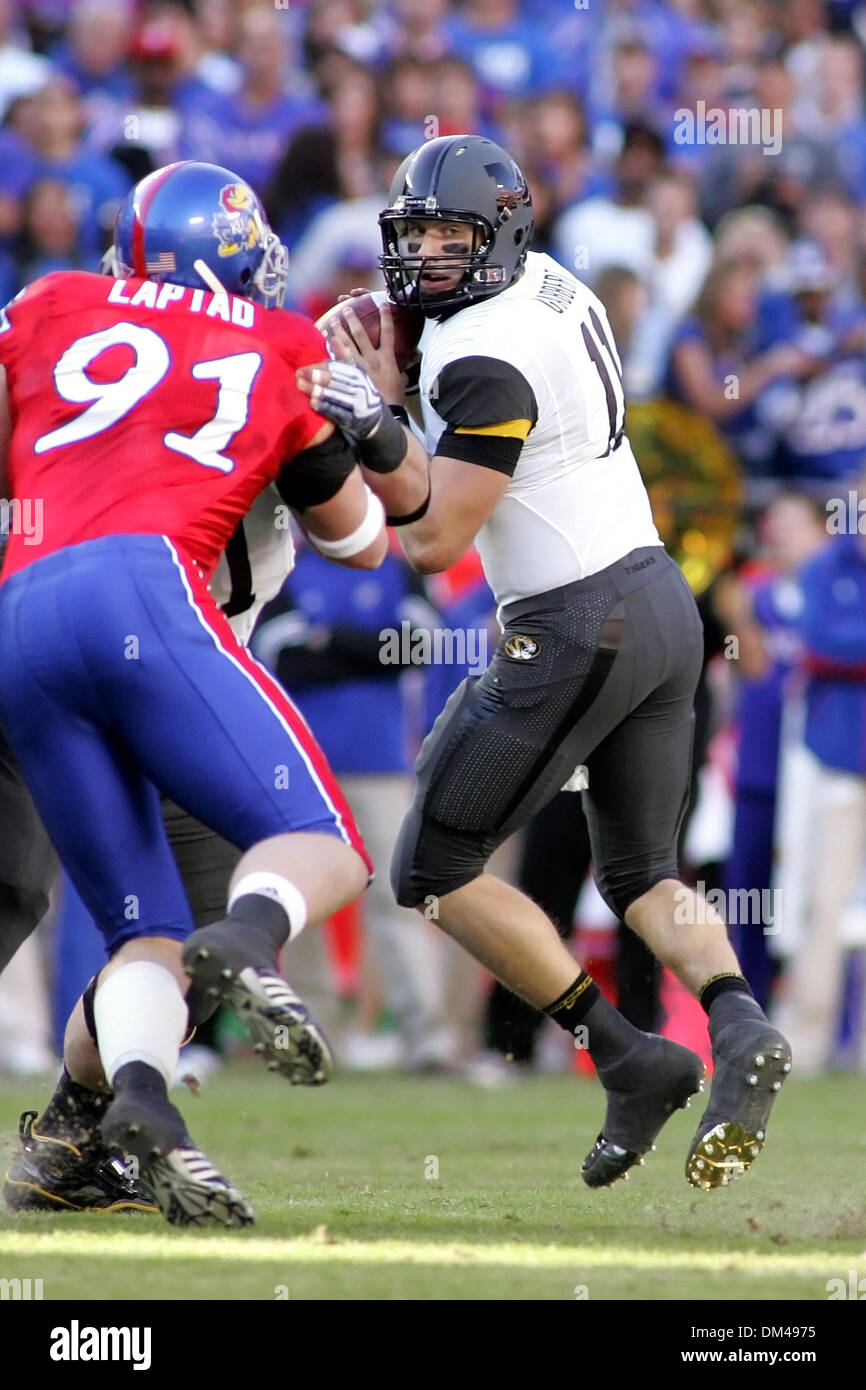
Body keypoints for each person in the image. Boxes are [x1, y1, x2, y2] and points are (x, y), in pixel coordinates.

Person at [300, 134, 792, 1190]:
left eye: (449, 239)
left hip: (573, 620)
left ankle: (628, 1056)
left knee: (431, 868)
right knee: (642, 872)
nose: (426, 260)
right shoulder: (553, 284)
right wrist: (403, 395)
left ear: (497, 233)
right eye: (415, 238)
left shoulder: (480, 351)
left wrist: (375, 421)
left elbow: (431, 542)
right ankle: (738, 1027)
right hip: (657, 599)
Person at [0, 158, 428, 1226]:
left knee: (138, 933)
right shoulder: (279, 346)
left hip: (26, 617)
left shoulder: (56, 303)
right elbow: (372, 541)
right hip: (163, 621)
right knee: (316, 847)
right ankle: (246, 938)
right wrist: (365, 421)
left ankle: (115, 1117)